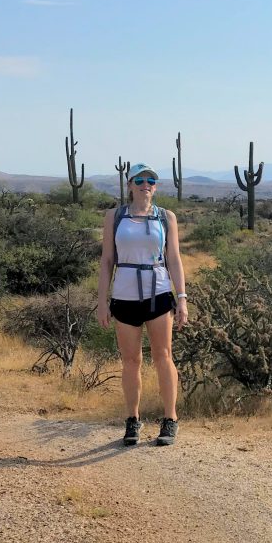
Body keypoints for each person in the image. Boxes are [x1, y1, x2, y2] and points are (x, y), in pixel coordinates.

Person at [97, 163, 189, 446]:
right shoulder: (114, 216)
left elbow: (173, 258)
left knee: (163, 356)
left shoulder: (166, 217)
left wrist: (182, 298)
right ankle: (132, 420)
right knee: (131, 361)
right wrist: (102, 301)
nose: (145, 183)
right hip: (124, 294)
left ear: (156, 186)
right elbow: (107, 261)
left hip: (158, 293)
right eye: (140, 179)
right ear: (129, 184)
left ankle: (170, 419)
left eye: (151, 180)